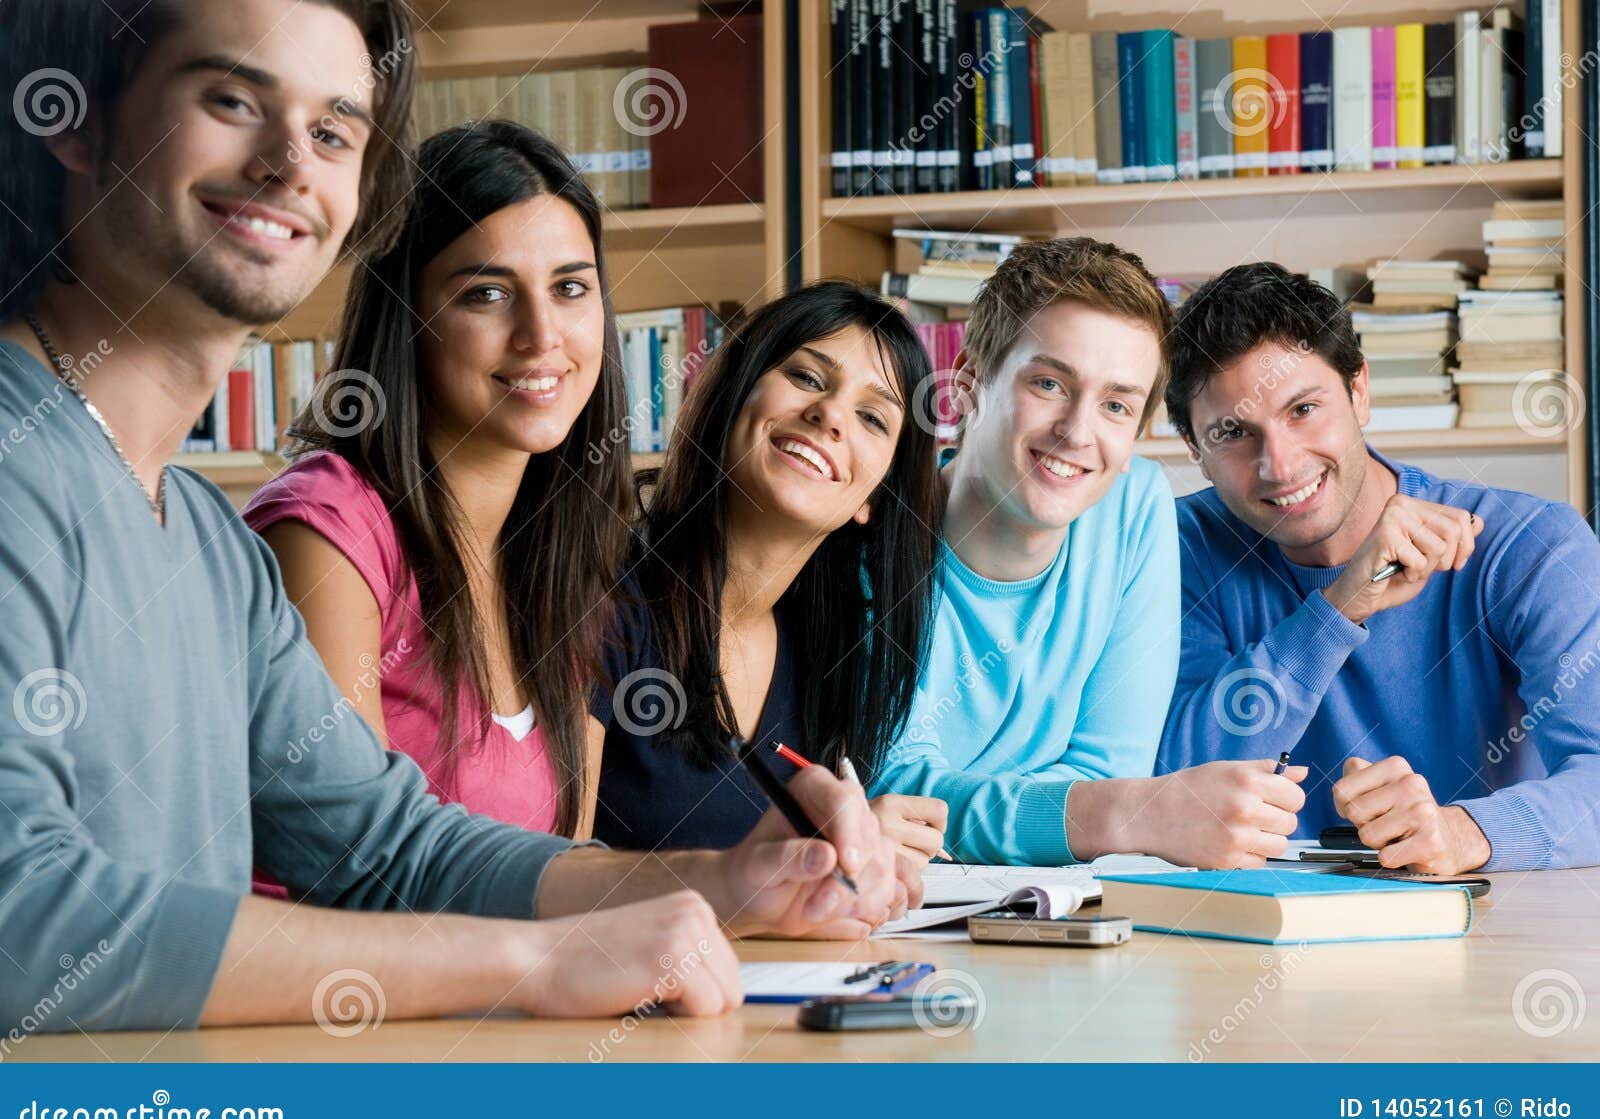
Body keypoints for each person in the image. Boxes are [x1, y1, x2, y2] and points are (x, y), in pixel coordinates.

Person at [0, 0, 896, 1035]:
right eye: (232, 99)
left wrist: (733, 881)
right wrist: (531, 959)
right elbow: (24, 921)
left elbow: (388, 847)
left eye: (335, 131)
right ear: (74, 120)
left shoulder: (205, 541)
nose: (292, 162)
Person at [245, 121, 630, 842]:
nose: (541, 335)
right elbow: (364, 861)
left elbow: (562, 869)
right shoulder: (327, 527)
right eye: (487, 294)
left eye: (571, 288)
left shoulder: (561, 559)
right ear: (409, 317)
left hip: (508, 957)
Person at [869, 237, 1308, 868]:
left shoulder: (1134, 508)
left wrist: (1098, 809)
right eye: (1049, 383)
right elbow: (898, 794)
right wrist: (1130, 813)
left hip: (1057, 905)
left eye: (1115, 405)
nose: (1077, 432)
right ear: (966, 383)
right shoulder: (872, 525)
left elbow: (1109, 767)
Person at [1157, 261, 1600, 873]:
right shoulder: (1173, 549)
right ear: (1194, 452)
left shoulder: (1530, 546)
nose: (1280, 466)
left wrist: (1462, 831)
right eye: (1233, 432)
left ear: (1359, 391)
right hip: (1245, 933)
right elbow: (1172, 785)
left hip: (1480, 926)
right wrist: (1339, 608)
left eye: (1304, 409)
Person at [592, 280, 950, 890]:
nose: (830, 415)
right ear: (736, 395)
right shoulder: (603, 600)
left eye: (872, 417)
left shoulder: (827, 654)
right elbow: (545, 869)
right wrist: (786, 867)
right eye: (808, 378)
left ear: (872, 501)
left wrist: (840, 853)